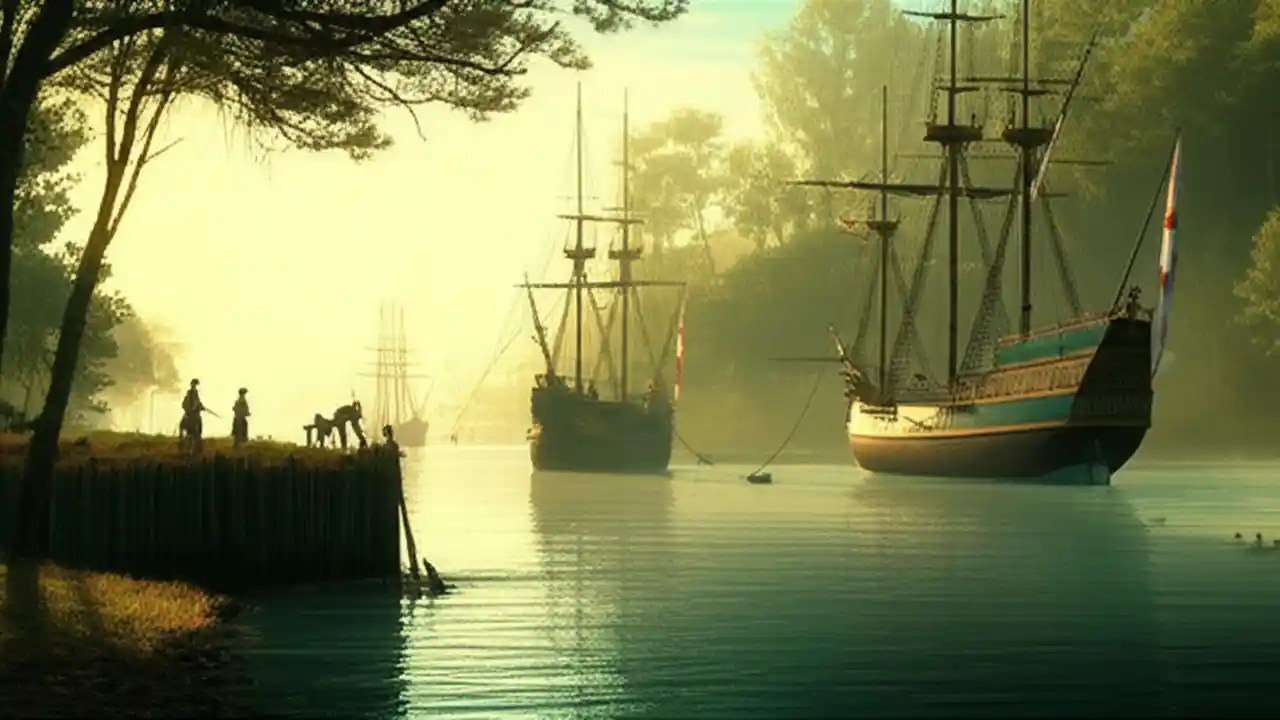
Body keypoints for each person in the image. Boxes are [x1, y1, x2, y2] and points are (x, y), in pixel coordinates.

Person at [180, 379, 206, 453]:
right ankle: (192, 448)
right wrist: (198, 407)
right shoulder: (192, 394)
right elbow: (194, 404)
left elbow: (196, 404)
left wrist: (201, 407)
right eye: (195, 385)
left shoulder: (191, 394)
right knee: (195, 432)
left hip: (189, 414)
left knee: (191, 432)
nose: (195, 386)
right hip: (193, 415)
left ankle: (191, 448)